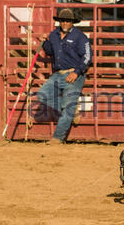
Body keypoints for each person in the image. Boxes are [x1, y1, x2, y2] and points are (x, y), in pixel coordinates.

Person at [36, 8, 92, 145]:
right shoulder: (54, 35)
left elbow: (87, 57)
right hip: (58, 74)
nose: (65, 23)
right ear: (59, 22)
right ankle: (72, 110)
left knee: (68, 107)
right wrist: (44, 42)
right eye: (63, 20)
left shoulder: (80, 37)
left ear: (73, 22)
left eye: (68, 21)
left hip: (74, 75)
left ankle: (57, 138)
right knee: (42, 95)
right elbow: (50, 52)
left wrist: (77, 72)